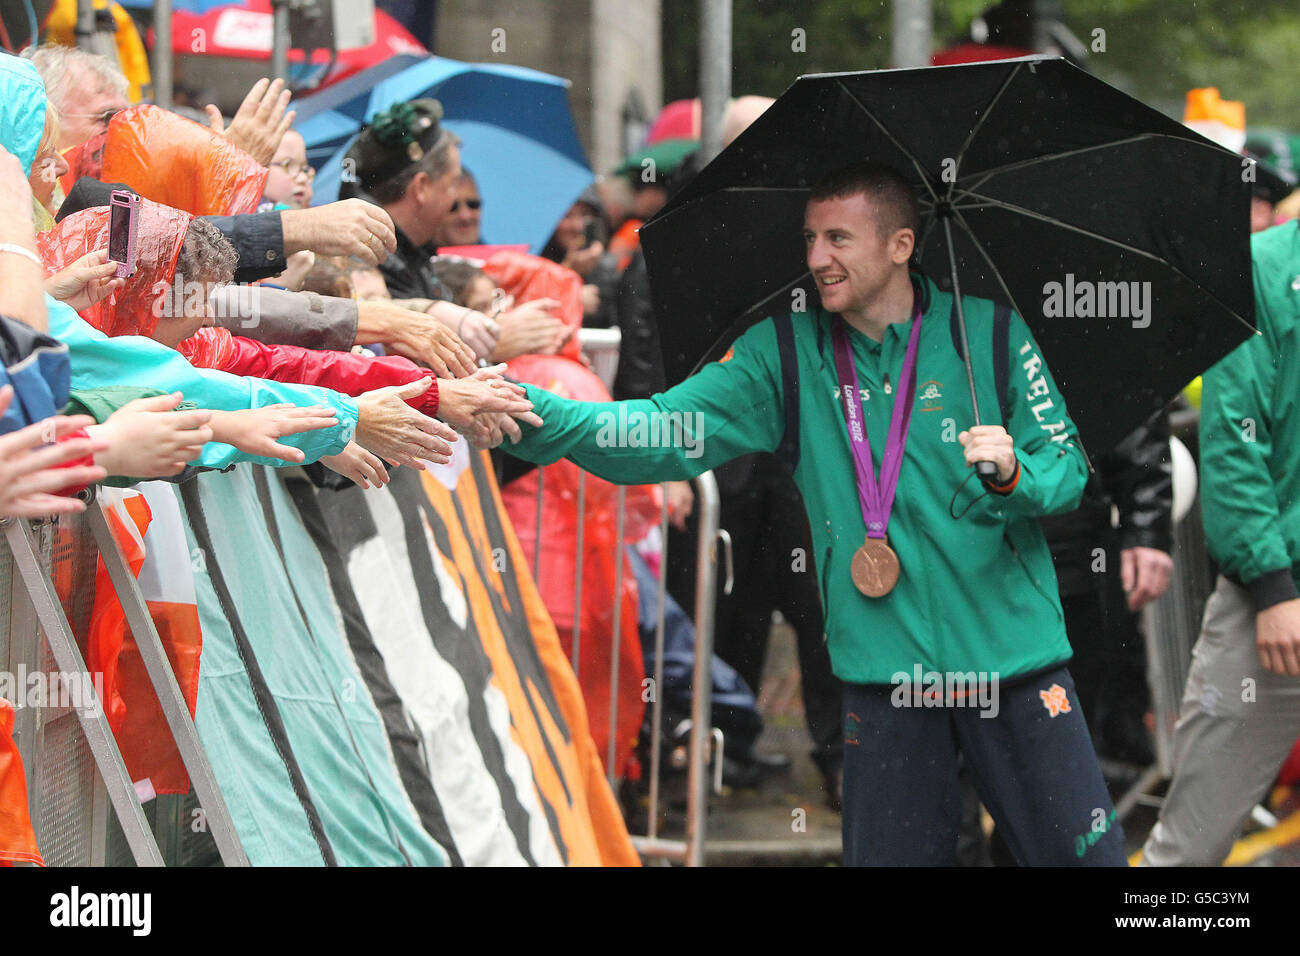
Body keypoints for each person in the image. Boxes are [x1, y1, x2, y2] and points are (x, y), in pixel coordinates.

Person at [506, 161, 1127, 866]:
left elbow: (1068, 469)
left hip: (1014, 666)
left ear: (900, 244)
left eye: (838, 238)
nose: (816, 259)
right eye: (810, 238)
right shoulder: (784, 353)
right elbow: (656, 435)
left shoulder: (991, 333)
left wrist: (1017, 476)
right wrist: (526, 410)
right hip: (885, 679)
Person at [1139, 217, 1300, 866]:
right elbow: (1234, 439)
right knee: (1188, 851)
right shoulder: (1261, 266)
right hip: (1278, 599)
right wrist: (1270, 587)